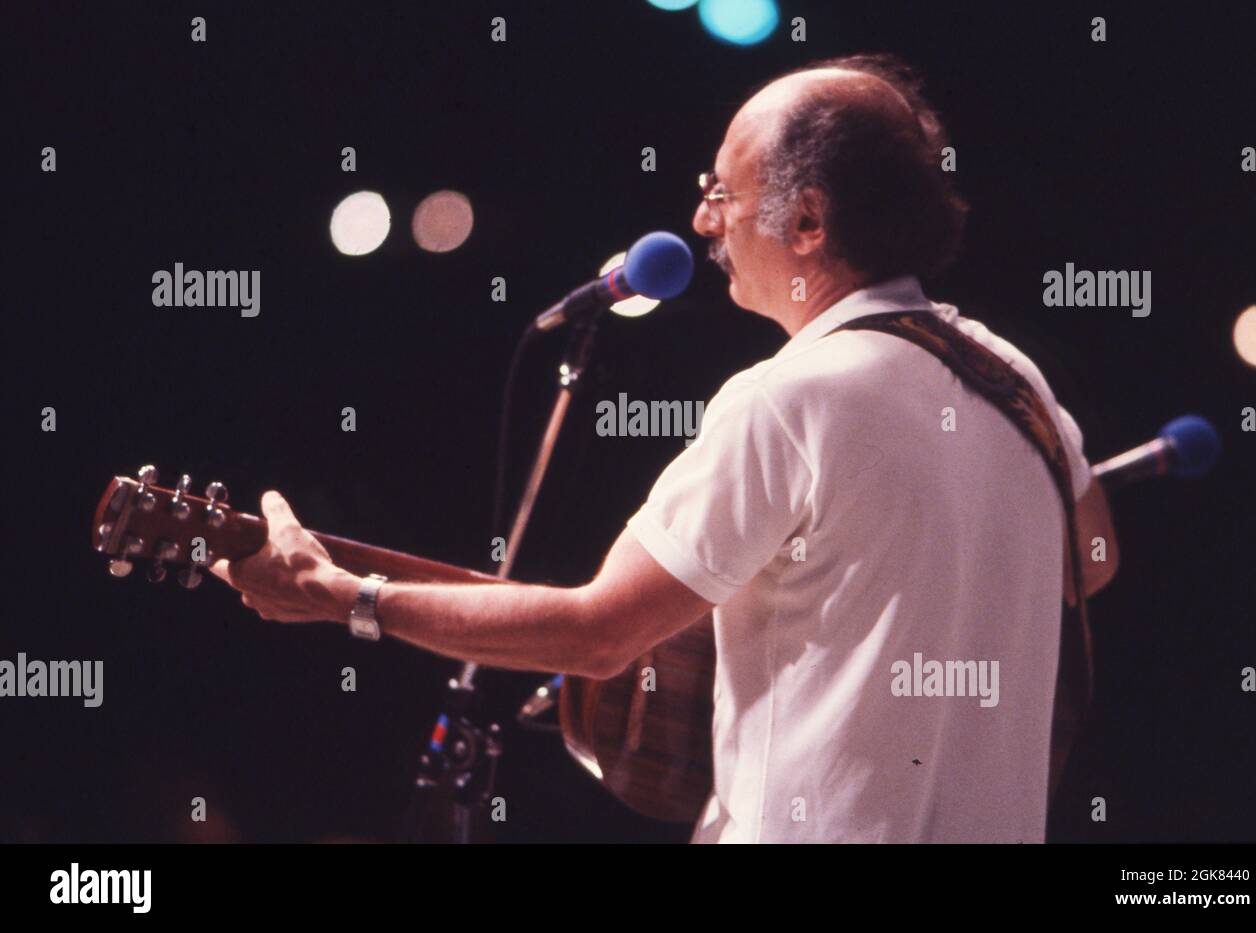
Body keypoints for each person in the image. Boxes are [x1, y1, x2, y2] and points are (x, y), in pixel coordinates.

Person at [212, 54, 1117, 843]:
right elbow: (1094, 562)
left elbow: (598, 633)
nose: (703, 221)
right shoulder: (1020, 385)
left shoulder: (788, 398)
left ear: (807, 222)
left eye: (724, 192)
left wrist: (345, 597)